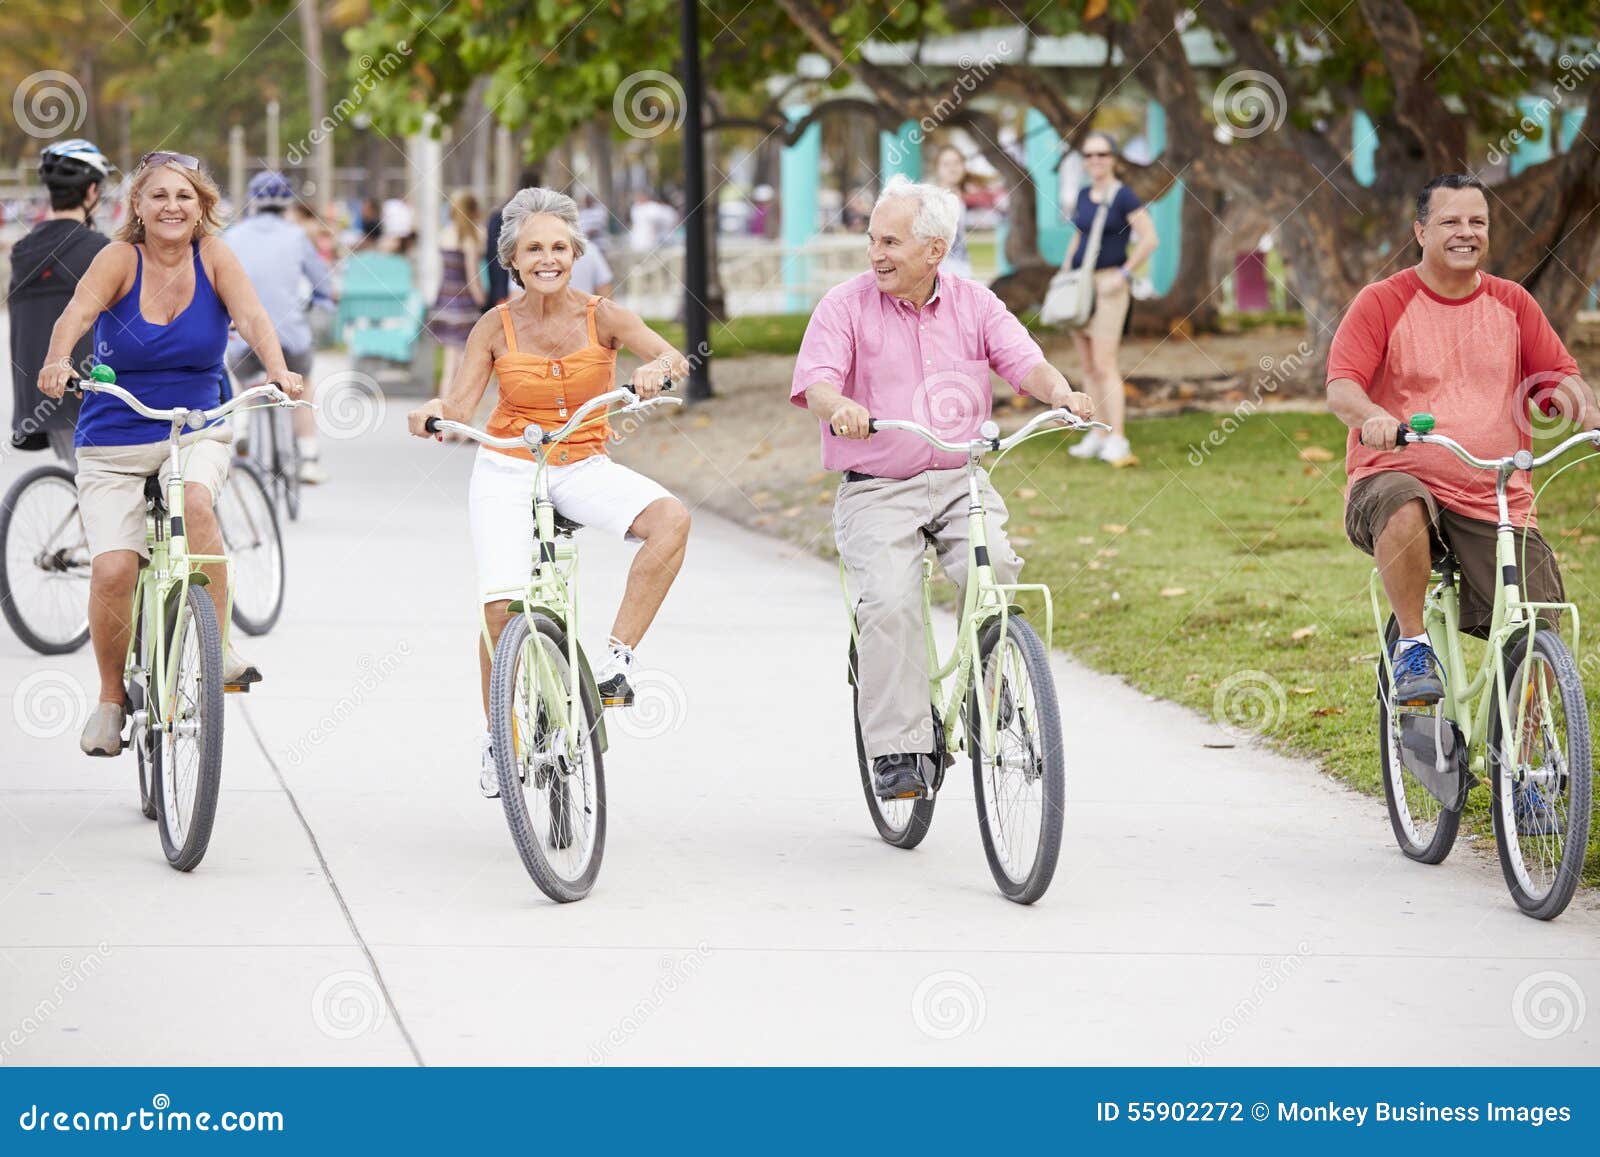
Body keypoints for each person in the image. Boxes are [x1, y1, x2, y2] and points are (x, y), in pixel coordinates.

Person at [792, 175, 1092, 800]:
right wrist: (839, 404)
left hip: (960, 477)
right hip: (877, 487)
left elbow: (1023, 360)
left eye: (891, 241)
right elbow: (816, 381)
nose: (876, 253)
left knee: (1000, 566)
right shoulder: (844, 306)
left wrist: (1062, 393)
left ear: (935, 249)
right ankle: (899, 750)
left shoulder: (975, 304)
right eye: (873, 239)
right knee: (893, 601)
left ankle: (989, 693)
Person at [405, 187, 693, 799]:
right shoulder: (494, 325)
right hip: (509, 466)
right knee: (500, 609)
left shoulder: (604, 315)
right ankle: (497, 737)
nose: (548, 258)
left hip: (583, 462)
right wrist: (432, 412)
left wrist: (655, 370)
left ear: (575, 253)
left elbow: (673, 358)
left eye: (559, 247)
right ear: (512, 257)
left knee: (671, 520)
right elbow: (459, 406)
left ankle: (616, 660)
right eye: (534, 248)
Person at [1329, 172, 1595, 824]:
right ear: (1420, 230)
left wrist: (1578, 406)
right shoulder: (1383, 301)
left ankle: (1529, 763)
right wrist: (1371, 417)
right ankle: (1414, 647)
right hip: (1397, 470)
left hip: (1492, 487)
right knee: (1404, 504)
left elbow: (1558, 375)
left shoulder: (1511, 303)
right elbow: (1342, 387)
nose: (1466, 233)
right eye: (1450, 221)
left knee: (1537, 619)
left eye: (1477, 222)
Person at [37, 151, 305, 757]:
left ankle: (221, 646)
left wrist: (280, 371)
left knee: (196, 502)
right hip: (112, 441)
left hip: (194, 428)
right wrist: (57, 360)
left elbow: (254, 316)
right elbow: (76, 313)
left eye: (184, 196)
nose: (171, 207)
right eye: (157, 196)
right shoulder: (116, 260)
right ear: (137, 205)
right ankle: (111, 699)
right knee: (113, 569)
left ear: (201, 205)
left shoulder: (214, 257)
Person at [223, 170, 335, 483]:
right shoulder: (297, 236)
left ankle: (242, 428)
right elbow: (322, 282)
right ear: (287, 203)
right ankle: (309, 457)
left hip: (243, 337)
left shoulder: (232, 236)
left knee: (243, 377)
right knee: (304, 383)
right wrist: (320, 301)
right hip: (291, 337)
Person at [8, 139, 114, 462]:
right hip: (93, 393)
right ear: (92, 191)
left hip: (40, 400)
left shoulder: (22, 252)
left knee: (89, 487)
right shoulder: (100, 250)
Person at [1062, 132, 1158, 467]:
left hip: (1108, 287)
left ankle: (1117, 436)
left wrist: (1124, 275)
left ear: (1113, 158)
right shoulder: (1085, 195)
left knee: (1105, 364)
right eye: (1088, 156)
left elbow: (1149, 239)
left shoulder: (1124, 196)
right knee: (1087, 364)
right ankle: (1096, 432)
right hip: (1081, 287)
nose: (1095, 161)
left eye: (1102, 154)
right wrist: (1064, 275)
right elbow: (1079, 237)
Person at [427, 190, 488, 396]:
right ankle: (459, 414)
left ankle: (443, 413)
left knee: (449, 365)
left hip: (444, 301)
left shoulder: (445, 233)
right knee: (463, 363)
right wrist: (482, 301)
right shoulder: (472, 238)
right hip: (464, 305)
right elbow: (473, 277)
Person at [486, 168, 541, 307]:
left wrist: (499, 293)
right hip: (521, 290)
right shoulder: (534, 216)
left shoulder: (498, 215)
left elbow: (492, 257)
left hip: (504, 290)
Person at [933, 145, 974, 279]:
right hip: (942, 270)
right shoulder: (933, 199)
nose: (952, 168)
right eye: (946, 164)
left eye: (957, 163)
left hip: (962, 266)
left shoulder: (960, 197)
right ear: (938, 169)